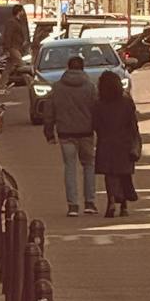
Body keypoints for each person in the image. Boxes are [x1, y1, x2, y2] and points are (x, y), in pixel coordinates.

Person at [41, 53, 98, 215]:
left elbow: (49, 112)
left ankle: (73, 205)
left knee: (70, 168)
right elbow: (96, 110)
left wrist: (49, 132)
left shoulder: (57, 87)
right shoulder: (90, 87)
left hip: (66, 133)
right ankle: (90, 202)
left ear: (68, 68)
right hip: (86, 132)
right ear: (82, 67)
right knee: (88, 166)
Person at [94, 68, 141, 219]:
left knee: (110, 175)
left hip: (106, 142)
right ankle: (124, 206)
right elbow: (133, 124)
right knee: (124, 174)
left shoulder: (99, 104)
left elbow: (95, 124)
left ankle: (111, 202)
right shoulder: (126, 102)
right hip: (124, 142)